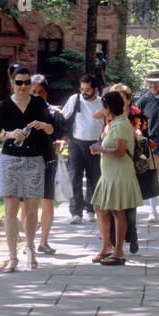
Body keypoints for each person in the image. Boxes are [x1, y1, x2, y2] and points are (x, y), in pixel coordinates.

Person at [0, 65, 55, 272]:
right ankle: (12, 257)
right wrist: (9, 134)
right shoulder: (3, 106)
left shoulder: (38, 103)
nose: (24, 87)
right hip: (10, 159)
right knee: (10, 210)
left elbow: (52, 129)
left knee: (32, 209)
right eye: (19, 83)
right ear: (12, 83)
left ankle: (30, 248)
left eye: (27, 83)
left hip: (34, 160)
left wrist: (44, 126)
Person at [89, 91, 142, 265]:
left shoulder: (121, 124)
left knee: (118, 211)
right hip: (110, 174)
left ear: (109, 108)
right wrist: (100, 148)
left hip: (119, 174)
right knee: (100, 207)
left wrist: (101, 150)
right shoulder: (114, 123)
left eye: (103, 107)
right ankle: (107, 247)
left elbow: (120, 151)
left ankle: (118, 253)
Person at [28, 74, 65, 254]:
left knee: (47, 202)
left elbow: (60, 135)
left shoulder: (54, 113)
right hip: (26, 161)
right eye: (33, 92)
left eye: (40, 92)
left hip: (47, 160)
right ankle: (28, 242)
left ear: (46, 93)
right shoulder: (21, 111)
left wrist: (59, 142)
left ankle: (44, 241)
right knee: (28, 203)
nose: (36, 95)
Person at [61, 74, 102, 223]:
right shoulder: (75, 99)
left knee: (94, 178)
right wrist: (62, 137)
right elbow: (62, 117)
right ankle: (76, 212)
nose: (84, 92)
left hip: (95, 145)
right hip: (76, 144)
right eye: (82, 89)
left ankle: (91, 209)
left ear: (95, 89)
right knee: (74, 178)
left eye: (87, 89)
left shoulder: (102, 103)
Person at [136, 70, 159, 221]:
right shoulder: (143, 101)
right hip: (153, 146)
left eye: (156, 82)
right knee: (153, 179)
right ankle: (153, 211)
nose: (153, 85)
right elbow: (139, 124)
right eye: (150, 82)